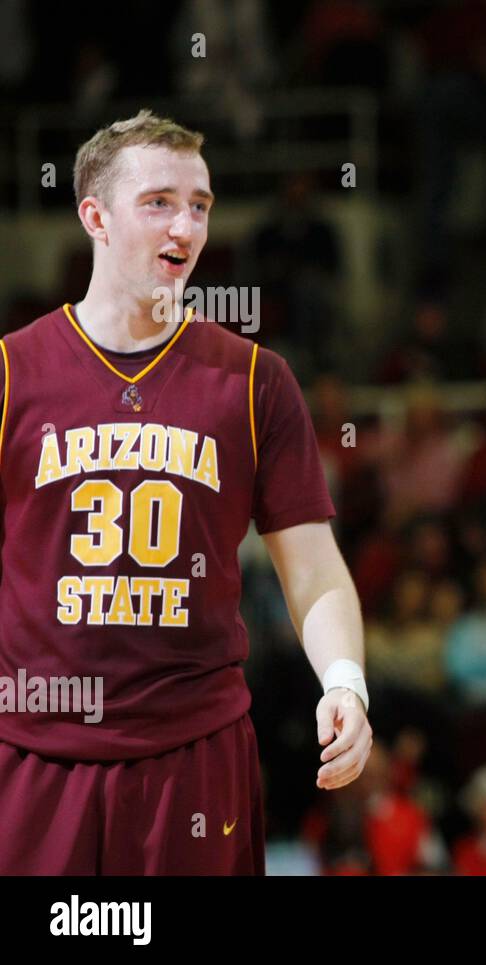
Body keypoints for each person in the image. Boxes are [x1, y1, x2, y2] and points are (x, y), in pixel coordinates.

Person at [0, 110, 372, 874]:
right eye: (159, 201)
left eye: (199, 204)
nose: (187, 224)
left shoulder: (255, 379)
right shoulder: (11, 375)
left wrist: (344, 680)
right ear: (94, 216)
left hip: (192, 752)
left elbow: (313, 564)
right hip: (35, 747)